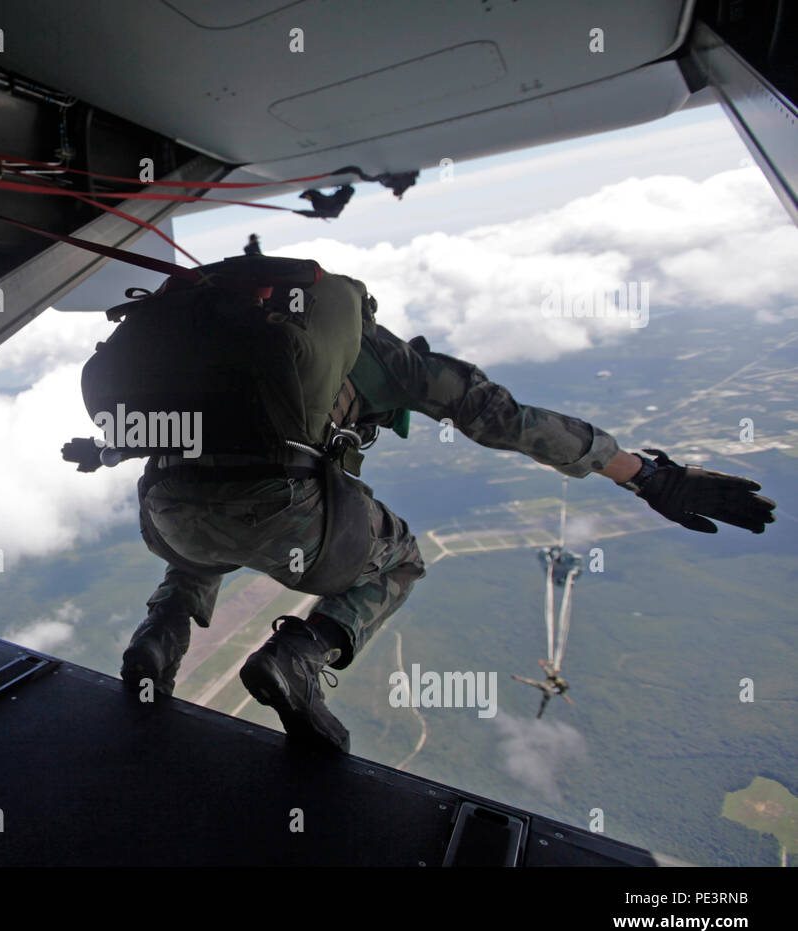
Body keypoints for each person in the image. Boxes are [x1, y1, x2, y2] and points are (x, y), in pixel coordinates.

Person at [78, 259, 776, 755]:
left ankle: (159, 639)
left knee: (207, 535)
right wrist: (645, 476)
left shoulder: (211, 335)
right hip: (283, 512)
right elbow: (506, 419)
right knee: (401, 561)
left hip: (164, 510)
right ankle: (297, 657)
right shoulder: (384, 357)